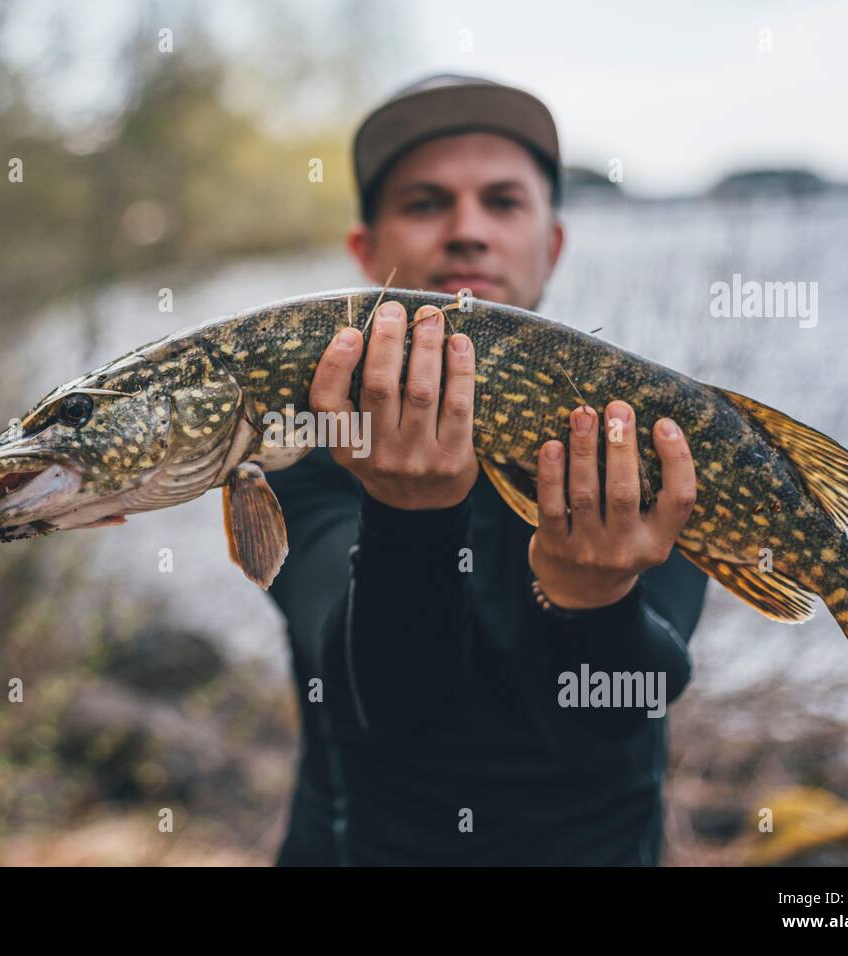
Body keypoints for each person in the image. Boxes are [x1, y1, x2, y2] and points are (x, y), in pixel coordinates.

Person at [265, 74, 710, 866]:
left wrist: (594, 601)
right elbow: (395, 705)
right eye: (425, 203)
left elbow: (628, 703)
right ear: (366, 252)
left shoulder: (638, 433)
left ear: (553, 244)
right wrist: (409, 518)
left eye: (503, 202)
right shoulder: (306, 436)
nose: (467, 232)